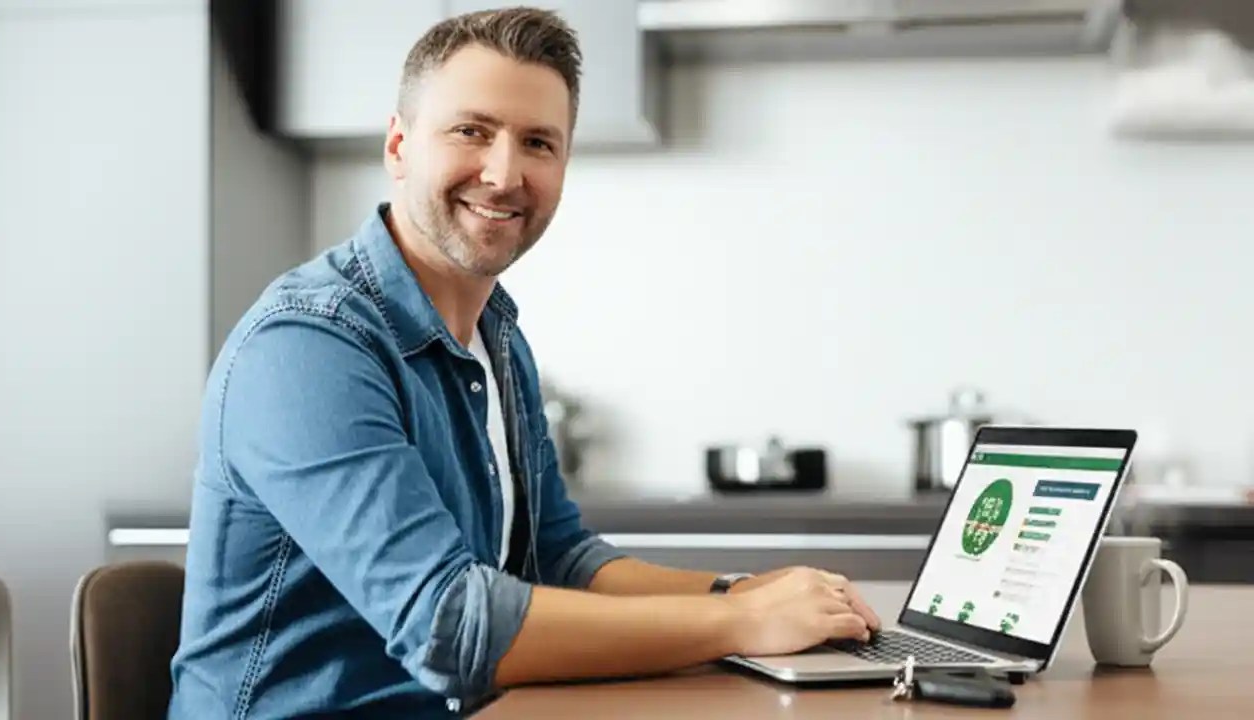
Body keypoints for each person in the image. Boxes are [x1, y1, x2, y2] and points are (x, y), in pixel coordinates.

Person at [168, 7, 881, 718]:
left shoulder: (496, 336)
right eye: (471, 130)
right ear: (398, 146)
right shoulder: (308, 346)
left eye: (538, 142)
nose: (504, 174)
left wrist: (736, 592)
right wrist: (743, 625)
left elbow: (559, 557)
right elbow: (452, 624)